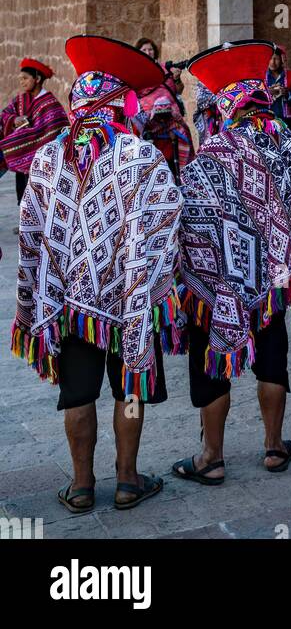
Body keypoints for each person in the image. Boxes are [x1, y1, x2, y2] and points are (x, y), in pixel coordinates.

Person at [12, 36, 182, 514]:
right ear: (116, 104)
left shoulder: (46, 160)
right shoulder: (141, 157)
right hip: (127, 301)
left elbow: (30, 232)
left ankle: (83, 486)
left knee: (77, 391)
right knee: (129, 387)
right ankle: (128, 480)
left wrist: (40, 288)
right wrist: (143, 276)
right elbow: (168, 219)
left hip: (69, 304)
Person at [172, 40, 291, 486]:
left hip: (220, 286)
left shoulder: (209, 156)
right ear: (262, 95)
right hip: (274, 280)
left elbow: (190, 225)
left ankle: (211, 457)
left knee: (213, 361)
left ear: (225, 105)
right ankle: (273, 447)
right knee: (272, 356)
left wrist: (207, 276)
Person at [0, 58, 68, 206]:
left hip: (40, 159)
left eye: (25, 78)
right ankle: (24, 222)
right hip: (22, 156)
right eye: (20, 79)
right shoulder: (20, 100)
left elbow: (51, 131)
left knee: (39, 194)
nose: (22, 82)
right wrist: (14, 119)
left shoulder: (50, 103)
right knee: (22, 190)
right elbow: (5, 114)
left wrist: (20, 139)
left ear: (37, 78)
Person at [140, 91, 194, 181]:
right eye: (160, 114)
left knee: (173, 173)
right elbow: (146, 135)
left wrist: (176, 136)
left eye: (165, 114)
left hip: (173, 155)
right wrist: (150, 138)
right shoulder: (151, 124)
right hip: (158, 155)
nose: (162, 118)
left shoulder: (175, 122)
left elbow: (185, 137)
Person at [266, 45, 291, 128]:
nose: (272, 62)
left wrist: (287, 94)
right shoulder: (261, 76)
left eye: (276, 59)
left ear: (282, 60)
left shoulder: (290, 76)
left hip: (285, 122)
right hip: (266, 121)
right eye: (270, 58)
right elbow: (254, 97)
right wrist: (267, 92)